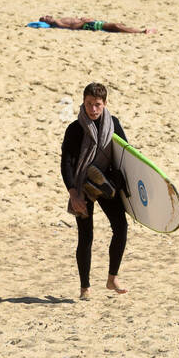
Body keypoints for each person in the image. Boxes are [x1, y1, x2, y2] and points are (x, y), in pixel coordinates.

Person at [61, 83, 131, 298]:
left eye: (97, 105)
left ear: (105, 104)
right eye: (89, 104)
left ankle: (112, 278)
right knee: (86, 236)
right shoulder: (75, 129)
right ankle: (85, 288)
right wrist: (74, 194)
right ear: (83, 102)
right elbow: (67, 163)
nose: (92, 109)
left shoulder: (114, 124)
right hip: (82, 185)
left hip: (105, 183)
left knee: (121, 227)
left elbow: (126, 155)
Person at [38, 15, 153, 34]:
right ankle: (141, 31)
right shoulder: (57, 23)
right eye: (45, 18)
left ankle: (138, 31)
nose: (47, 16)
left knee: (117, 26)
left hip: (88, 23)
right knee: (116, 26)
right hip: (89, 26)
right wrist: (84, 21)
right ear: (46, 22)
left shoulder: (58, 19)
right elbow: (72, 27)